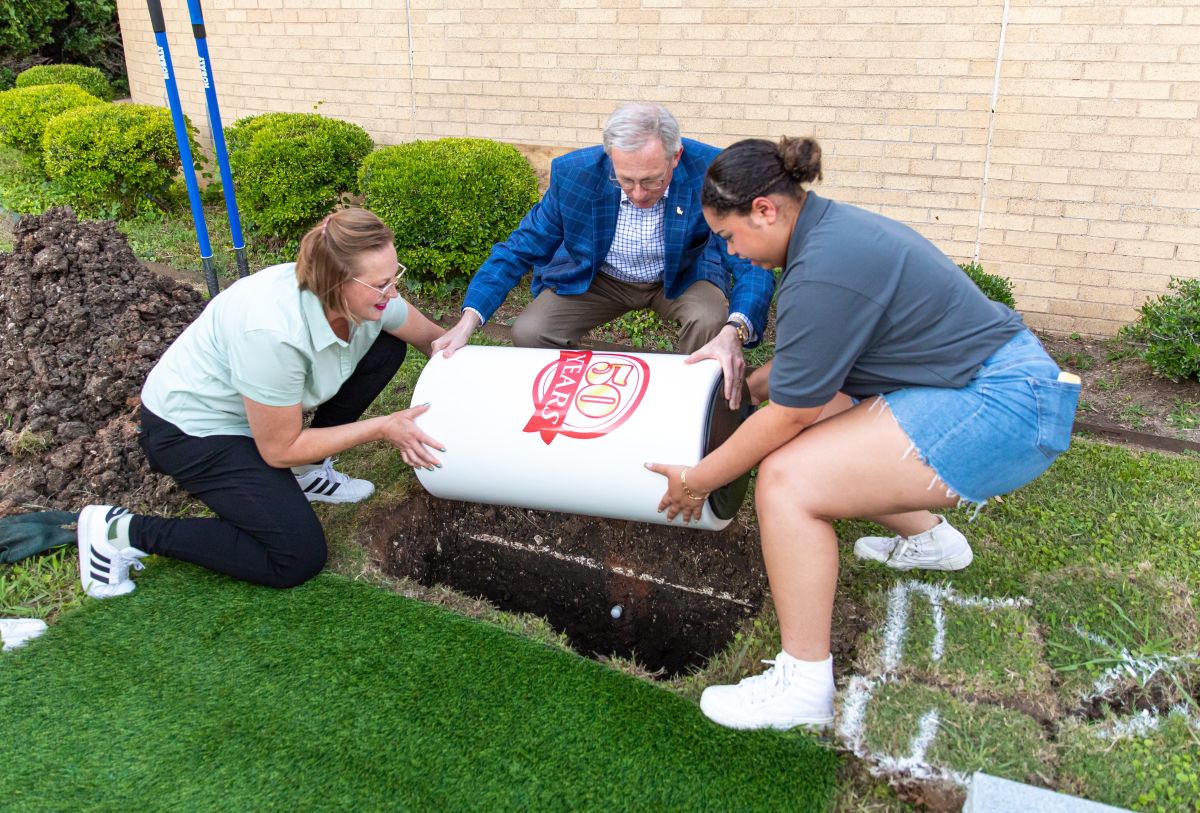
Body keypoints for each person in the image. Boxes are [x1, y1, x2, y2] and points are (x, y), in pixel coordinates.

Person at [646, 137, 1080, 731]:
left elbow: (791, 414)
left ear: (765, 210)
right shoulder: (827, 236)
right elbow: (812, 373)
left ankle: (802, 683)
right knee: (823, 426)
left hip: (1006, 409)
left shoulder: (823, 270)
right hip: (989, 383)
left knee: (788, 480)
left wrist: (697, 480)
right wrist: (743, 389)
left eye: (729, 236)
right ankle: (930, 542)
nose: (734, 252)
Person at [75, 209, 446, 598]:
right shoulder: (272, 331)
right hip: (194, 430)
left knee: (386, 347)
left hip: (262, 417)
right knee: (296, 556)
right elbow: (278, 448)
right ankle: (119, 532)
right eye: (382, 283)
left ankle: (307, 473)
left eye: (394, 276)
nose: (393, 291)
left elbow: (434, 342)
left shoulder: (368, 301)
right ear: (336, 282)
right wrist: (381, 426)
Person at [432, 102, 775, 408]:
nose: (639, 193)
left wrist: (735, 328)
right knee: (531, 330)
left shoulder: (712, 171)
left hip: (682, 275)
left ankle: (696, 409)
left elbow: (751, 258)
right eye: (626, 180)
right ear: (611, 155)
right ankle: (577, 405)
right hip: (600, 278)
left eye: (652, 181)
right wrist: (468, 322)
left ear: (676, 156)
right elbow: (519, 248)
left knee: (711, 322)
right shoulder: (575, 174)